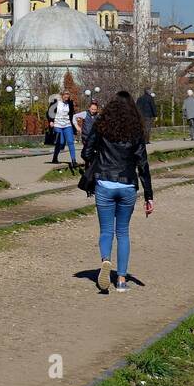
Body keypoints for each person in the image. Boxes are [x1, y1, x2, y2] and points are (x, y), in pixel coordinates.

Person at [81, 94, 154, 293]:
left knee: (106, 231)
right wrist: (149, 196)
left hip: (104, 183)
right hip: (128, 185)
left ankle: (106, 260)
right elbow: (143, 164)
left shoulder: (101, 127)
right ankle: (121, 280)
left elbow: (85, 153)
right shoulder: (136, 131)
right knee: (123, 233)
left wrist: (99, 157)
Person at [48, 91, 77, 170]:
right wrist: (51, 121)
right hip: (57, 125)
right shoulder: (56, 102)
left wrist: (74, 123)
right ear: (62, 96)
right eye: (65, 97)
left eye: (68, 97)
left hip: (67, 125)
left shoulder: (70, 103)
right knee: (60, 142)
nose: (66, 99)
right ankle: (55, 158)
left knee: (70, 142)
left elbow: (71, 113)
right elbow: (50, 112)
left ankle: (74, 160)